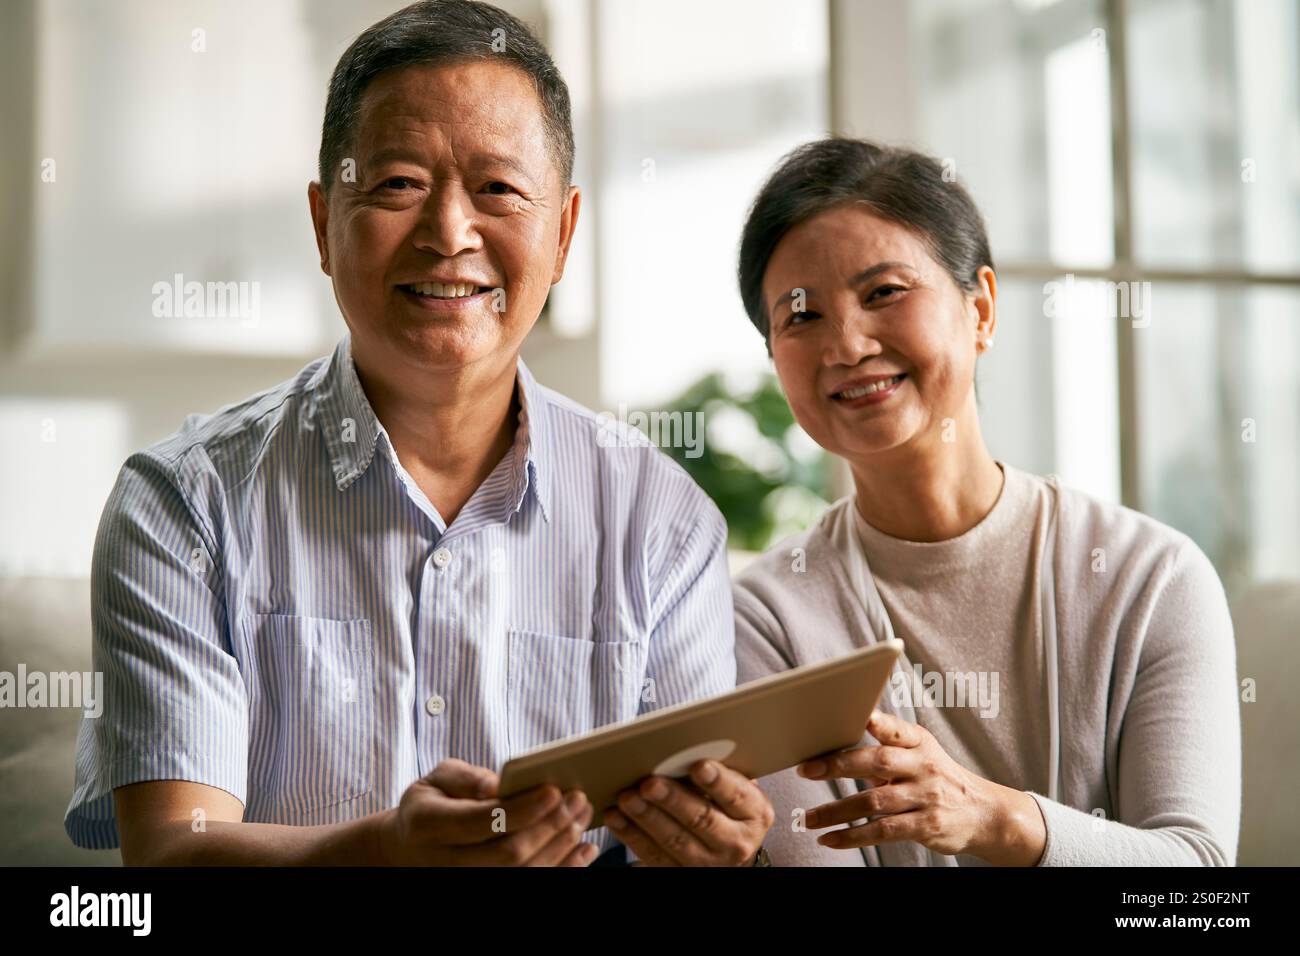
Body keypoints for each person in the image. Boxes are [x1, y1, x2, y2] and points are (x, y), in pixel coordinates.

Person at [65, 0, 772, 867]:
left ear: (563, 234)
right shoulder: (185, 502)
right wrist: (386, 854)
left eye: (500, 190)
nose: (448, 233)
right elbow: (172, 854)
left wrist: (710, 852)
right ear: (325, 224)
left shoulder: (661, 522)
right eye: (399, 183)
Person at [731, 137, 1241, 866]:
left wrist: (993, 818)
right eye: (802, 317)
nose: (846, 345)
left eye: (884, 293)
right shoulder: (766, 618)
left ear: (982, 309)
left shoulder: (1151, 579)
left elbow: (1195, 889)